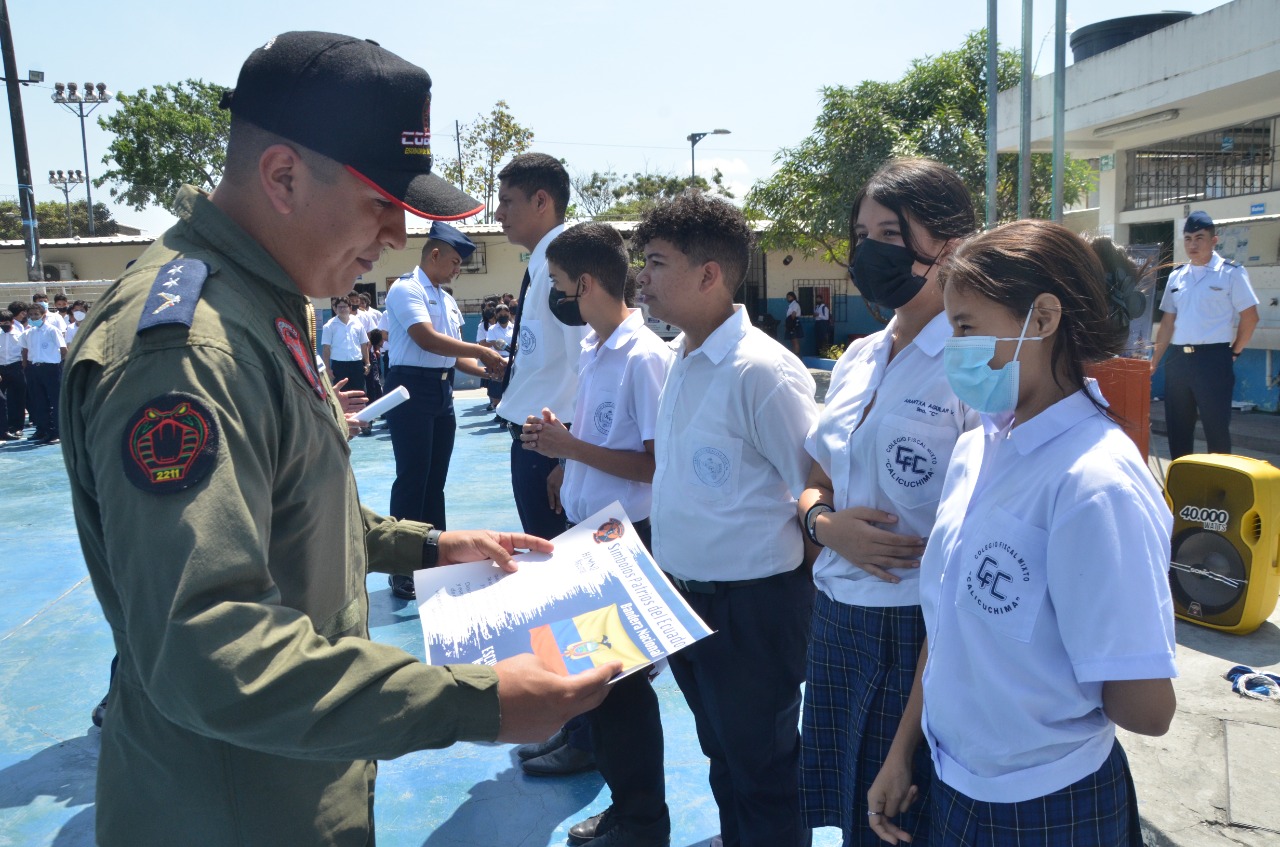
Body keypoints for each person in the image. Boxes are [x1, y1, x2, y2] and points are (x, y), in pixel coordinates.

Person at [57, 31, 618, 845]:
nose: (397, 231)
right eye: (380, 200)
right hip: (235, 810)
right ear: (283, 176)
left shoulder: (266, 301)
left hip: (292, 778)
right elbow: (209, 649)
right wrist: (477, 701)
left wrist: (428, 545)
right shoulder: (189, 352)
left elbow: (290, 502)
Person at [868, 219, 1177, 847]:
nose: (952, 348)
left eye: (965, 327)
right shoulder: (979, 446)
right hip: (953, 781)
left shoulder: (1095, 482)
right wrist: (903, 750)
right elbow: (948, 624)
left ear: (1042, 318)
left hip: (1047, 805)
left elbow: (1146, 706)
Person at [797, 158, 979, 847]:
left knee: (899, 821)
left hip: (916, 633)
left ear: (951, 245)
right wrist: (823, 524)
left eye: (891, 235)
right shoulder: (858, 356)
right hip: (836, 618)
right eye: (862, 234)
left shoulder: (974, 364)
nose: (870, 252)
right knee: (851, 815)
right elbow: (816, 476)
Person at [637, 191, 818, 847]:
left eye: (657, 263)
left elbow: (816, 491)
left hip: (753, 612)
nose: (642, 278)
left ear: (709, 274)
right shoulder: (681, 357)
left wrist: (790, 607)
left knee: (765, 772)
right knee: (722, 755)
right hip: (689, 601)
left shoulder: (763, 372)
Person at [520, 222, 675, 844]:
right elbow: (601, 436)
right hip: (589, 536)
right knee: (596, 688)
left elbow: (656, 466)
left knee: (622, 690)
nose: (557, 295)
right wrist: (568, 462)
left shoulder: (644, 357)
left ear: (585, 283)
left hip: (627, 539)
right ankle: (624, 804)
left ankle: (641, 821)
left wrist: (571, 448)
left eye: (559, 283)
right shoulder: (594, 347)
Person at [383, 220, 505, 599]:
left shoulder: (447, 299)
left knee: (435, 480)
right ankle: (402, 565)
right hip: (410, 390)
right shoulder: (406, 289)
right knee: (412, 478)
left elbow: (453, 354)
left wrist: (488, 370)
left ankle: (436, 553)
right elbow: (428, 340)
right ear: (434, 254)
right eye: (454, 262)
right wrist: (482, 350)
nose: (457, 270)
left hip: (440, 391)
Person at [494, 153, 591, 539]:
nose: (499, 213)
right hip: (538, 444)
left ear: (540, 201)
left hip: (552, 450)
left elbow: (591, 368)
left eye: (507, 201)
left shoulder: (562, 270)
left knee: (556, 556)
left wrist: (569, 459)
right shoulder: (542, 266)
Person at [1150, 211, 1259, 459]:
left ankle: (1219, 484)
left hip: (1213, 358)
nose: (1193, 244)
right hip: (1178, 360)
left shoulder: (1231, 273)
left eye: (1199, 238)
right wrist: (1154, 361)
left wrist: (1235, 351)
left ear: (1214, 240)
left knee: (1216, 430)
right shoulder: (1177, 276)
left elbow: (1250, 317)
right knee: (1177, 429)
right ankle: (1179, 482)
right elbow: (1167, 323)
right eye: (1188, 239)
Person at [20, 301, 66, 444]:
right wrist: (26, 366)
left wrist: (58, 363)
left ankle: (58, 432)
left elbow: (63, 349)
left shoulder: (52, 330)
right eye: (31, 315)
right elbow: (25, 351)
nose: (34, 317)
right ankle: (43, 430)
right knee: (39, 401)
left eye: (37, 314)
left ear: (43, 315)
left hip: (51, 368)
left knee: (55, 401)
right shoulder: (28, 333)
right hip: (34, 368)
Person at [321, 296, 370, 392]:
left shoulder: (358, 323)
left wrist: (367, 363)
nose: (342, 309)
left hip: (357, 365)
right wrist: (327, 368)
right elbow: (326, 349)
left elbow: (364, 345)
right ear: (335, 309)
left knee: (359, 393)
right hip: (339, 366)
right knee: (342, 394)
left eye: (345, 306)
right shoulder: (329, 326)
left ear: (350, 308)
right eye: (340, 307)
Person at [0, 309, 24, 440]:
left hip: (16, 366)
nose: (4, 325)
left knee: (17, 398)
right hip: (1, 368)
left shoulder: (19, 334)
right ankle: (4, 428)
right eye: (1, 323)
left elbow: (24, 351)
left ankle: (17, 427)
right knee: (2, 400)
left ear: (12, 322)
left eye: (6, 323)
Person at [785, 290, 803, 354]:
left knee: (795, 341)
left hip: (794, 323)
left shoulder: (795, 304)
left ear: (793, 297)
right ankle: (794, 354)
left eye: (789, 297)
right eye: (787, 297)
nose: (788, 298)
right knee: (792, 341)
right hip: (791, 322)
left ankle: (797, 355)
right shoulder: (791, 305)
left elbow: (793, 314)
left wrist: (790, 323)